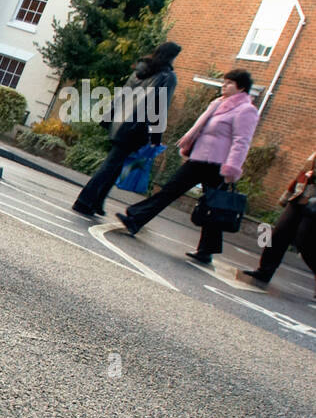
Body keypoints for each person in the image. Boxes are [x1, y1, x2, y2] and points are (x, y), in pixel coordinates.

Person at [117, 69, 260, 264]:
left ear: (241, 87)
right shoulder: (217, 104)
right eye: (223, 82)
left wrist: (231, 169)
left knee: (213, 206)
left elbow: (241, 141)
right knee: (169, 190)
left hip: (218, 165)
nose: (224, 86)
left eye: (229, 83)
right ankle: (135, 220)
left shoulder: (246, 110)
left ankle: (206, 251)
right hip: (198, 159)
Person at [72, 42, 181, 216]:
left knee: (115, 164)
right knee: (111, 165)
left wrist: (108, 118)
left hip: (120, 122)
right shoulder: (168, 77)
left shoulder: (142, 69)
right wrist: (156, 137)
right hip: (137, 127)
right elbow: (159, 107)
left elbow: (122, 94)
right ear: (172, 56)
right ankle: (84, 201)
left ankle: (97, 202)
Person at [239, 150, 316, 296]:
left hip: (314, 204)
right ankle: (264, 271)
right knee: (279, 234)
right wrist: (287, 195)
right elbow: (302, 173)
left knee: (304, 243)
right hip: (299, 197)